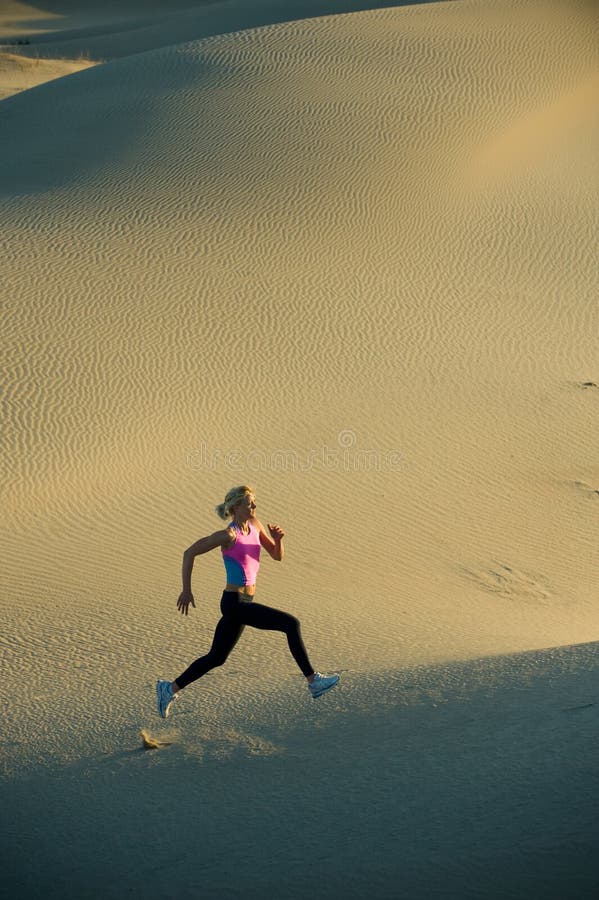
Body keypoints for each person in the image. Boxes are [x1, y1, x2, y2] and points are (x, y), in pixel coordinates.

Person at [156, 485, 339, 717]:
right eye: (249, 503)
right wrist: (186, 590)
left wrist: (277, 539)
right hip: (235, 602)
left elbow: (276, 555)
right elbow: (188, 553)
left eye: (254, 502)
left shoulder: (255, 525)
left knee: (217, 657)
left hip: (245, 601)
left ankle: (169, 689)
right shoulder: (228, 535)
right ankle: (313, 681)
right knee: (290, 624)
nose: (254, 506)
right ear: (235, 507)